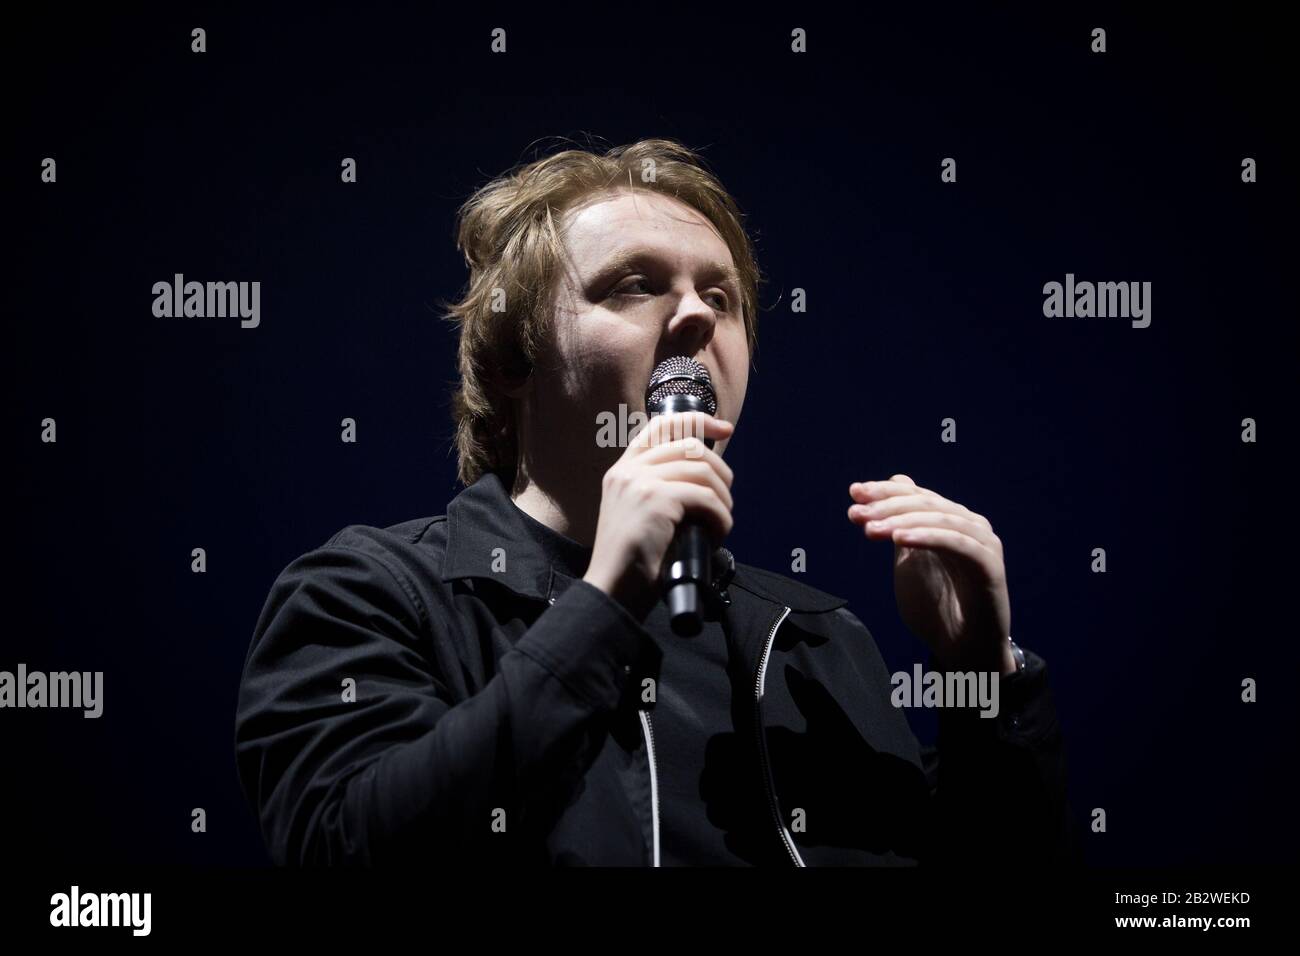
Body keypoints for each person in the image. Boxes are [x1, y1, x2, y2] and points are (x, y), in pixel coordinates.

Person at [234, 137, 1078, 866]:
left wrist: (982, 678)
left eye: (721, 297)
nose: (694, 318)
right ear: (511, 361)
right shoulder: (370, 593)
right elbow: (351, 848)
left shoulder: (819, 641)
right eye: (635, 285)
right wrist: (604, 603)